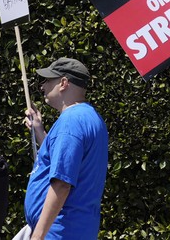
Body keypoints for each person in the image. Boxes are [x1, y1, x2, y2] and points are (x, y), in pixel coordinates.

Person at [22, 57, 109, 240]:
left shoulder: (70, 122)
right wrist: (40, 133)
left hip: (60, 232)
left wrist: (37, 236)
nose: (42, 86)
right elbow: (66, 162)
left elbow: (62, 183)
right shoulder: (91, 118)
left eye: (47, 80)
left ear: (63, 83)